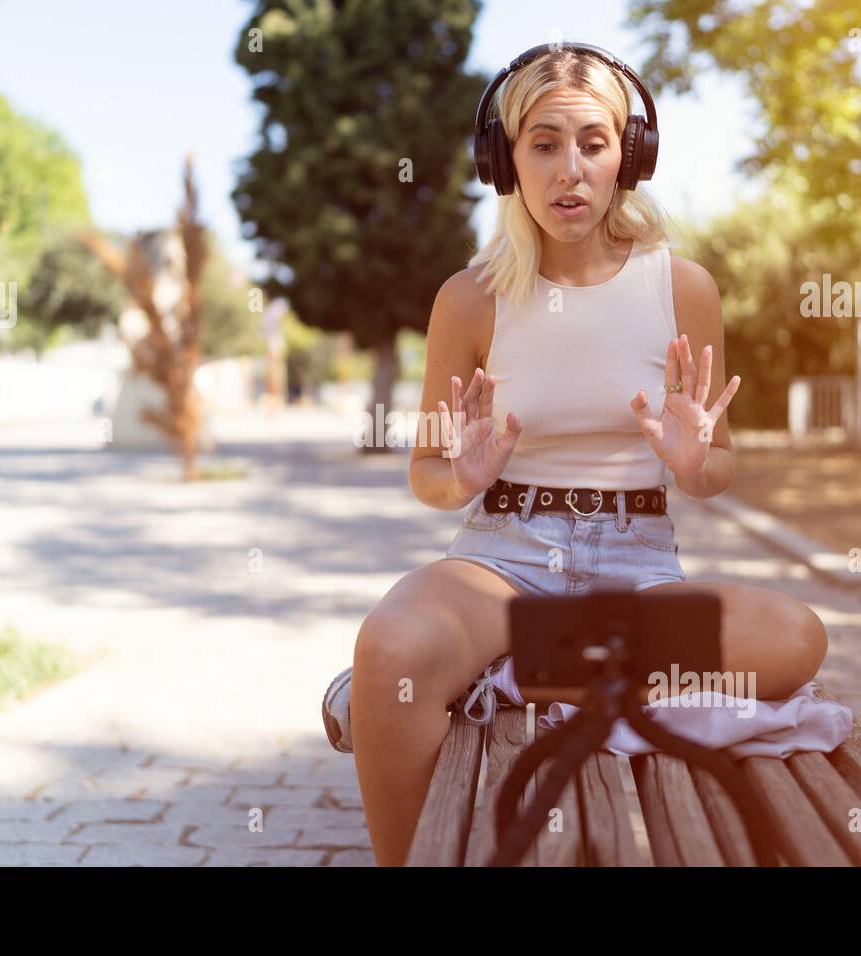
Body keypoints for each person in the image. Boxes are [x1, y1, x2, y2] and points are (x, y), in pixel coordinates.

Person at [321, 43, 828, 868]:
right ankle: (504, 678)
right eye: (544, 144)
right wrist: (467, 474)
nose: (570, 170)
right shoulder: (471, 298)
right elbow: (427, 476)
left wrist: (694, 460)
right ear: (505, 159)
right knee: (390, 650)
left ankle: (509, 673)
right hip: (501, 563)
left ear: (627, 157)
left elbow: (717, 469)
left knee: (794, 638)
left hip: (638, 569)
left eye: (593, 143)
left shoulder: (683, 287)